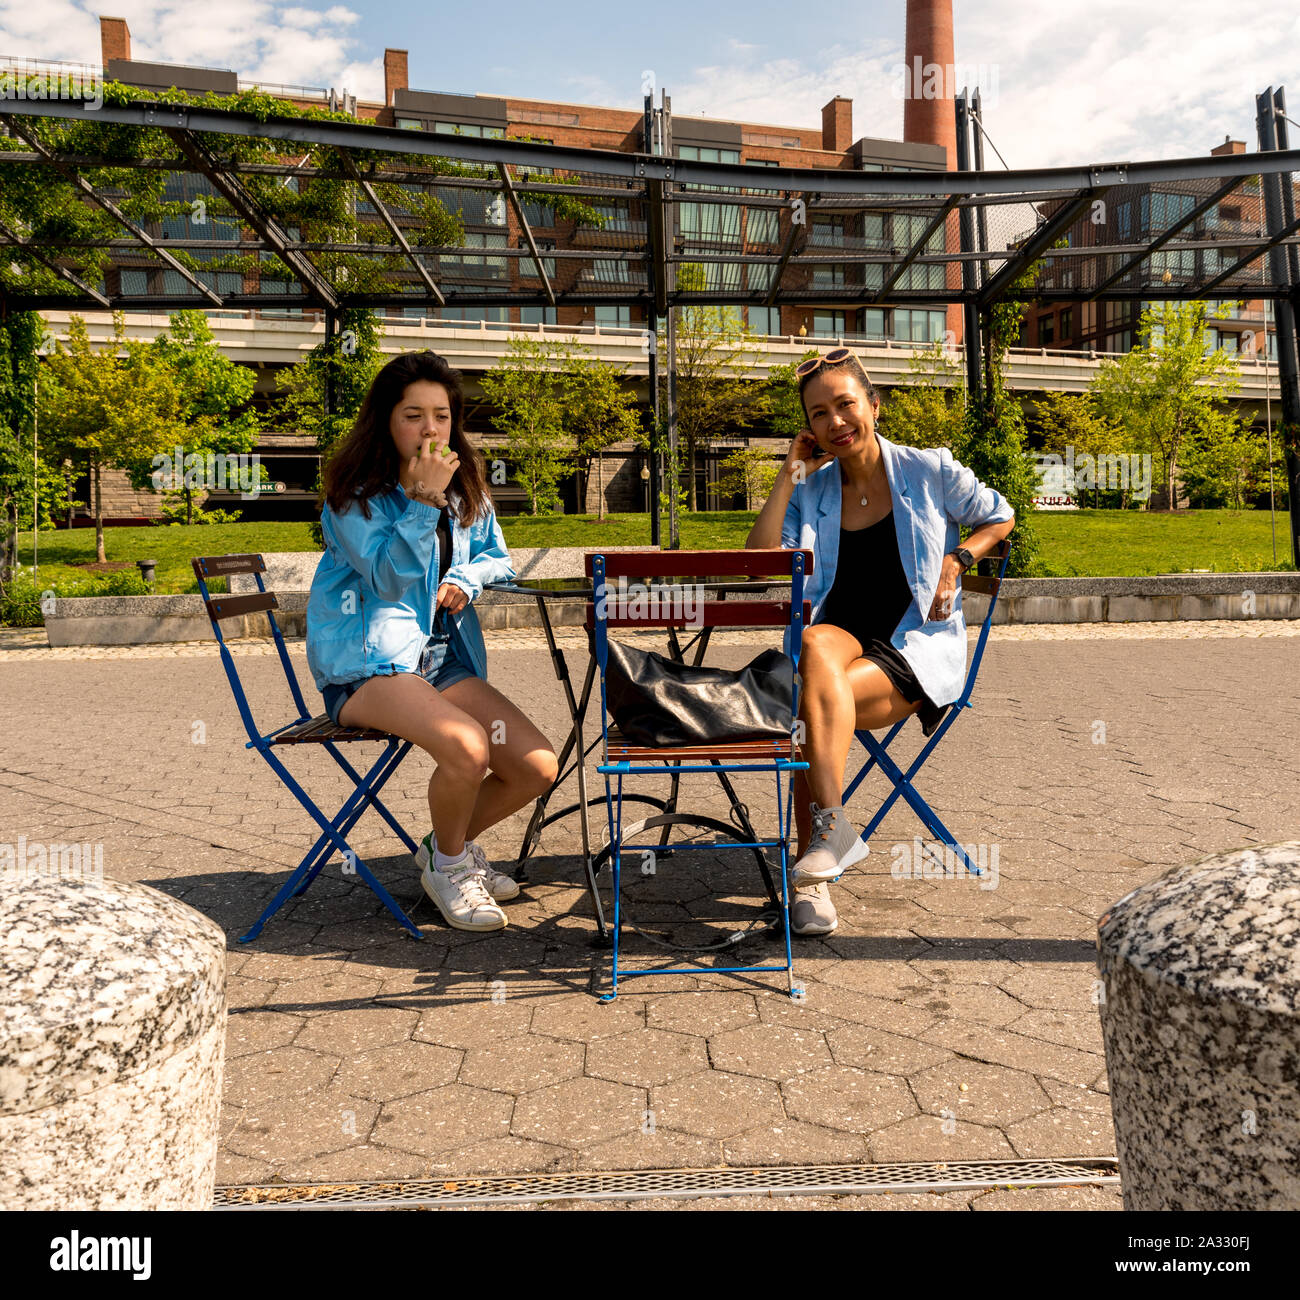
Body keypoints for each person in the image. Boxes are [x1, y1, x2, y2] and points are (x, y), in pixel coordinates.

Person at [746, 347, 1015, 937]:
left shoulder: (929, 469)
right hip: (836, 641)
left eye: (845, 405)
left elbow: (1000, 514)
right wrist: (789, 472)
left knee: (802, 712)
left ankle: (814, 876)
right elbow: (760, 559)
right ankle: (832, 833)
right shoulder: (813, 488)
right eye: (818, 415)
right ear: (808, 429)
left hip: (909, 648)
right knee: (814, 651)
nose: (835, 423)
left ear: (873, 405)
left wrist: (958, 558)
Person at [306, 350, 558, 934]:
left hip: (440, 657)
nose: (430, 429)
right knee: (468, 748)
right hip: (369, 666)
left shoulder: (465, 487)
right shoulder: (353, 497)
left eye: (441, 416)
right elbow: (389, 579)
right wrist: (421, 502)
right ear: (385, 421)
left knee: (536, 766)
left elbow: (499, 558)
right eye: (413, 415)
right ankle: (448, 868)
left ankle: (443, 844)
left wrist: (466, 578)